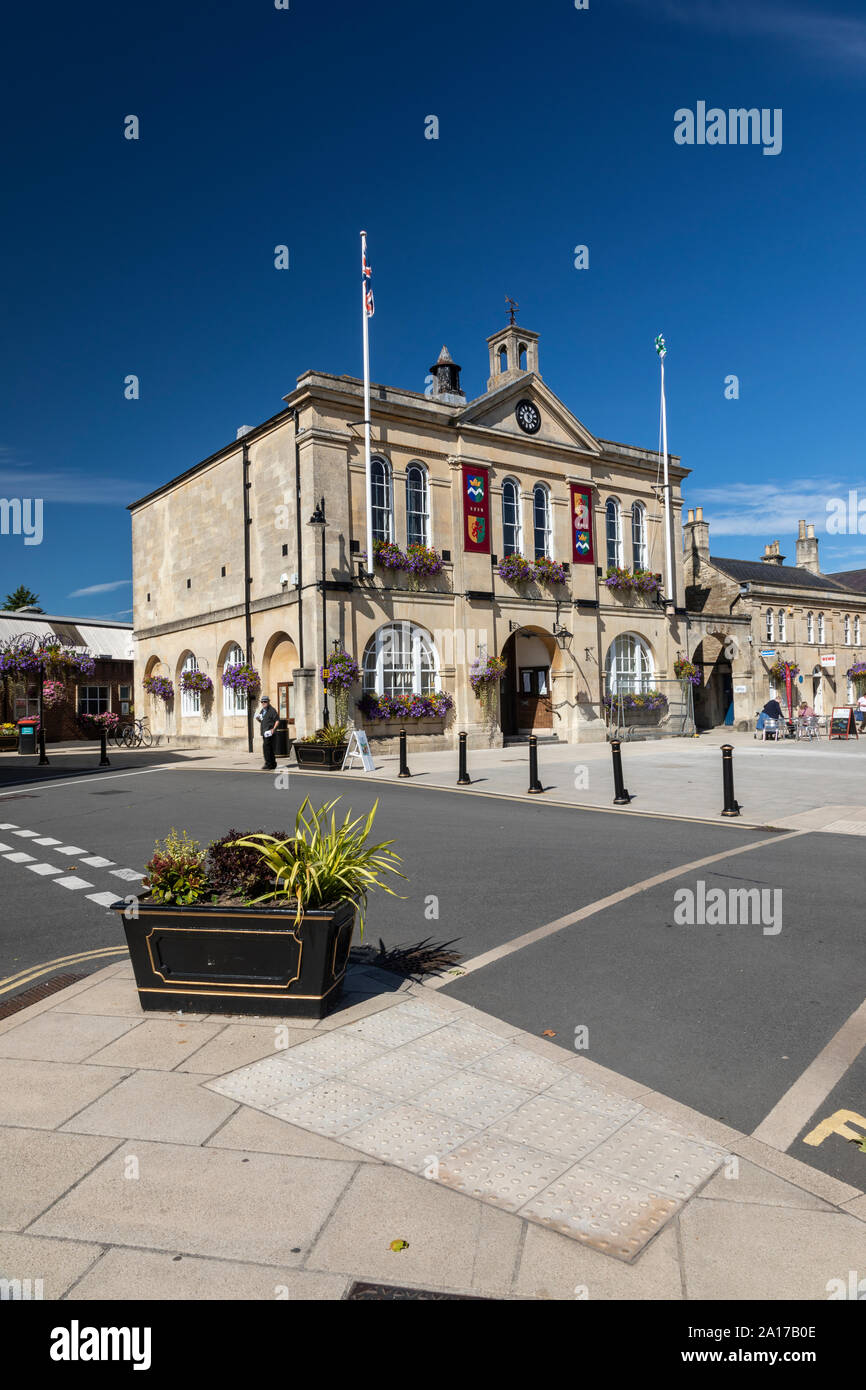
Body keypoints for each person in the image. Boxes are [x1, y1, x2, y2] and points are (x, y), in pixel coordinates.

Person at [256, 695, 278, 770]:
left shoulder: (272, 710)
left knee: (266, 748)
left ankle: (268, 764)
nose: (263, 703)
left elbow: (277, 721)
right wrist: (258, 719)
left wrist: (273, 729)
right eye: (262, 702)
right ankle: (273, 764)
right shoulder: (263, 710)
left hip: (269, 732)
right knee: (270, 748)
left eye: (265, 701)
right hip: (264, 732)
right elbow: (261, 720)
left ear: (268, 702)